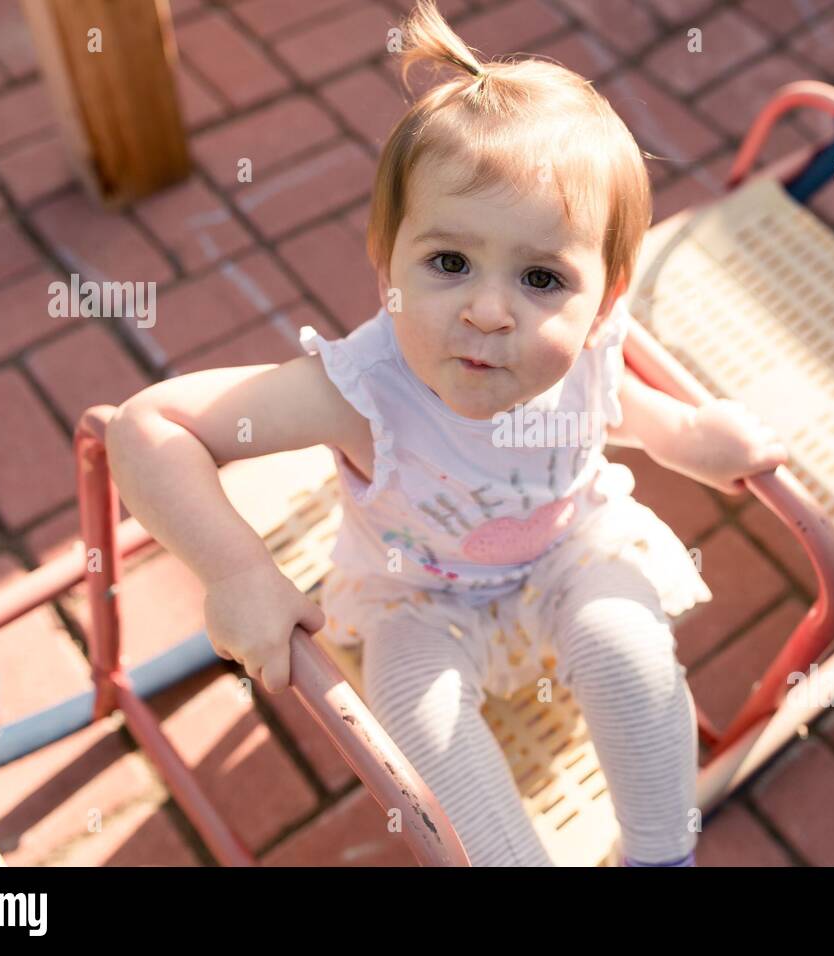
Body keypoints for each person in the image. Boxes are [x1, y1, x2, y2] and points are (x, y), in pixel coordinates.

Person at [106, 0, 786, 867]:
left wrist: (688, 434)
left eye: (542, 277)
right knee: (414, 717)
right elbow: (147, 425)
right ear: (386, 258)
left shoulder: (589, 343)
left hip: (569, 552)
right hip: (416, 594)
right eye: (450, 263)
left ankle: (661, 854)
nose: (489, 310)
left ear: (605, 297)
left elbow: (610, 409)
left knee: (629, 645)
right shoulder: (362, 392)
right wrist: (237, 572)